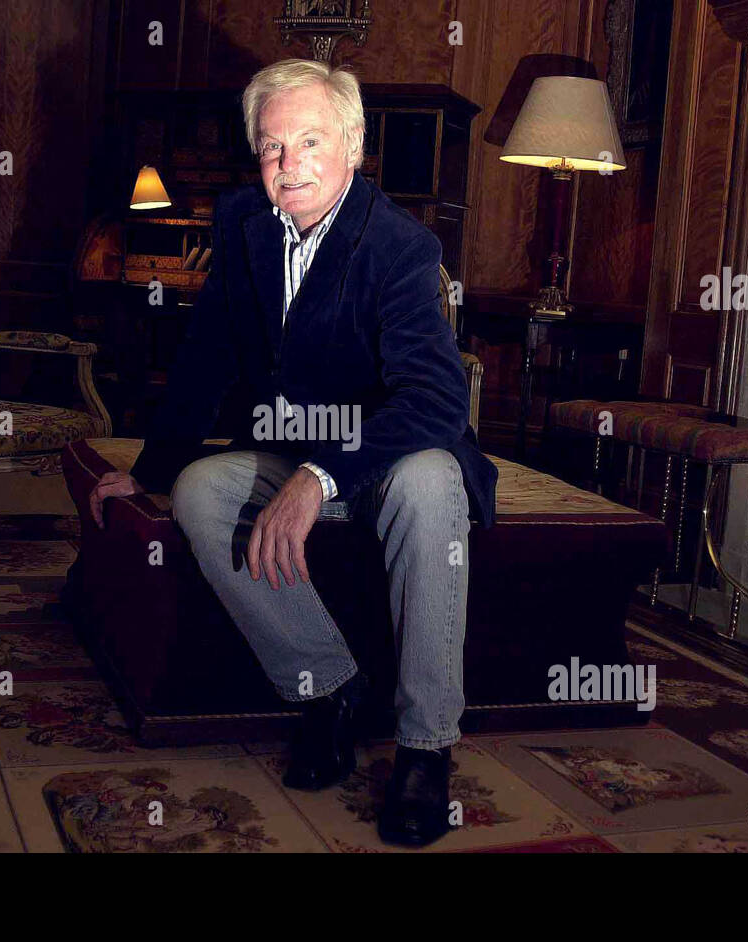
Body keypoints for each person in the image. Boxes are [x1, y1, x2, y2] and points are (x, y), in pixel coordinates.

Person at [90, 58, 497, 846]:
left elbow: (437, 401)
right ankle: (328, 690)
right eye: (273, 147)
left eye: (310, 141)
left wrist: (320, 477)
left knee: (433, 481)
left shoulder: (400, 246)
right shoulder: (243, 221)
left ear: (351, 146)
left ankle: (425, 746)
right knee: (204, 489)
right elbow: (206, 359)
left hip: (385, 455)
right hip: (287, 442)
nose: (290, 164)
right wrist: (146, 470)